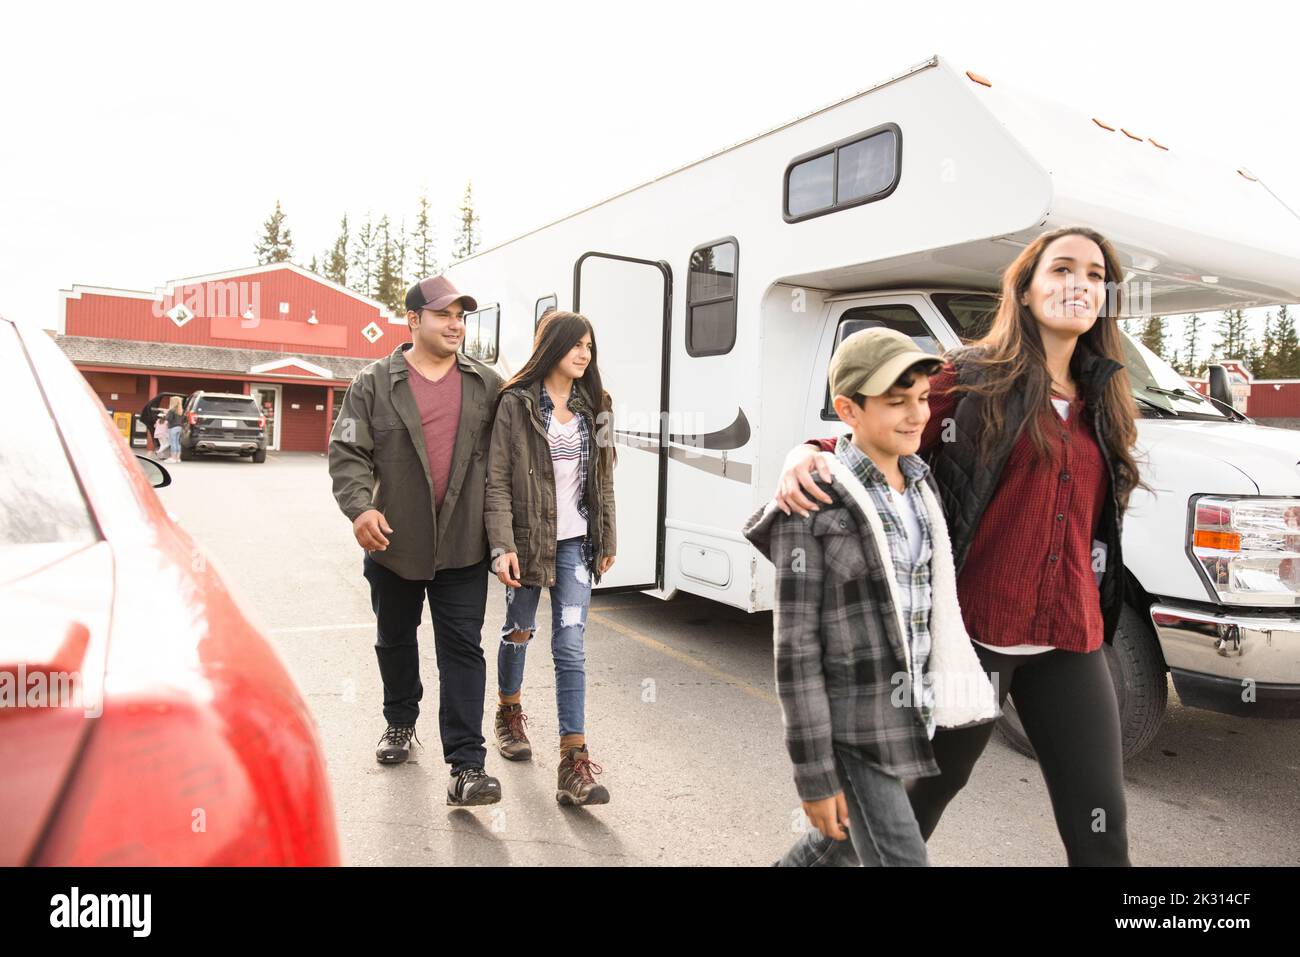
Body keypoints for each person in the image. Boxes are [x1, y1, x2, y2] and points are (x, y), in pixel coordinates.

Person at [774, 227, 1142, 866]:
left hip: (1069, 639)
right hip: (971, 641)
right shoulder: (972, 377)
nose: (1079, 284)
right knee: (911, 810)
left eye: (1094, 274)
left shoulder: (1105, 395)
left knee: (1102, 835)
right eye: (1060, 270)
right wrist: (806, 451)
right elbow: (881, 431)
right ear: (1025, 291)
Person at [743, 328, 998, 865]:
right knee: (901, 857)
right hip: (850, 727)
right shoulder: (810, 502)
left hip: (908, 714)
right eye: (895, 401)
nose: (916, 414)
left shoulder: (925, 488)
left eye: (923, 398)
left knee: (833, 847)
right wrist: (813, 773)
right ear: (848, 409)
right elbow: (795, 651)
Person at [328, 274, 505, 807]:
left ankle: (468, 766)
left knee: (462, 650)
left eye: (462, 317)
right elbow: (348, 452)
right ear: (412, 320)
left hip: (462, 546)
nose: (456, 325)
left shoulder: (487, 385)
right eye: (444, 315)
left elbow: (503, 464)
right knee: (396, 638)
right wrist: (360, 510)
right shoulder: (374, 383)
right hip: (394, 544)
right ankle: (400, 722)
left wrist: (505, 539)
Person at [485, 311, 618, 806]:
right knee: (519, 630)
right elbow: (496, 480)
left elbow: (603, 478)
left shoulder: (597, 407)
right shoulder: (515, 405)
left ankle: (573, 761)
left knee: (570, 643)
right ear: (552, 346)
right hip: (526, 542)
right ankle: (509, 711)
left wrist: (607, 538)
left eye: (590, 345)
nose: (585, 353)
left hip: (575, 546)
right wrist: (502, 547)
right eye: (576, 344)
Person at [165, 396, 184, 462]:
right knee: (177, 443)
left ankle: (173, 458)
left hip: (173, 427)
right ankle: (178, 458)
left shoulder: (172, 410)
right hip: (179, 427)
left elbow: (168, 419)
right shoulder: (181, 410)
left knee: (173, 442)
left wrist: (166, 413)